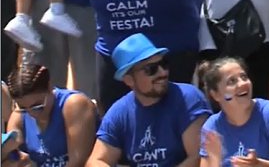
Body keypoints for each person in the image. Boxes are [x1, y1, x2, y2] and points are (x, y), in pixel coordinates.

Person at [86, 33, 211, 167]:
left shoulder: (188, 98)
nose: (162, 73)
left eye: (163, 64)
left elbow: (199, 158)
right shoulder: (120, 112)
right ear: (128, 79)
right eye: (151, 69)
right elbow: (95, 161)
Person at [198, 56, 269, 167]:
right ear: (215, 95)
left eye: (244, 77)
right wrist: (215, 160)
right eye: (232, 81)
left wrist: (260, 165)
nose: (243, 84)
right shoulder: (212, 127)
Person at [6, 64, 97, 167]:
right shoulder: (18, 117)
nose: (32, 113)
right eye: (24, 108)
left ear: (50, 87)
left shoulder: (74, 105)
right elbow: (11, 157)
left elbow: (78, 161)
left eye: (38, 106)